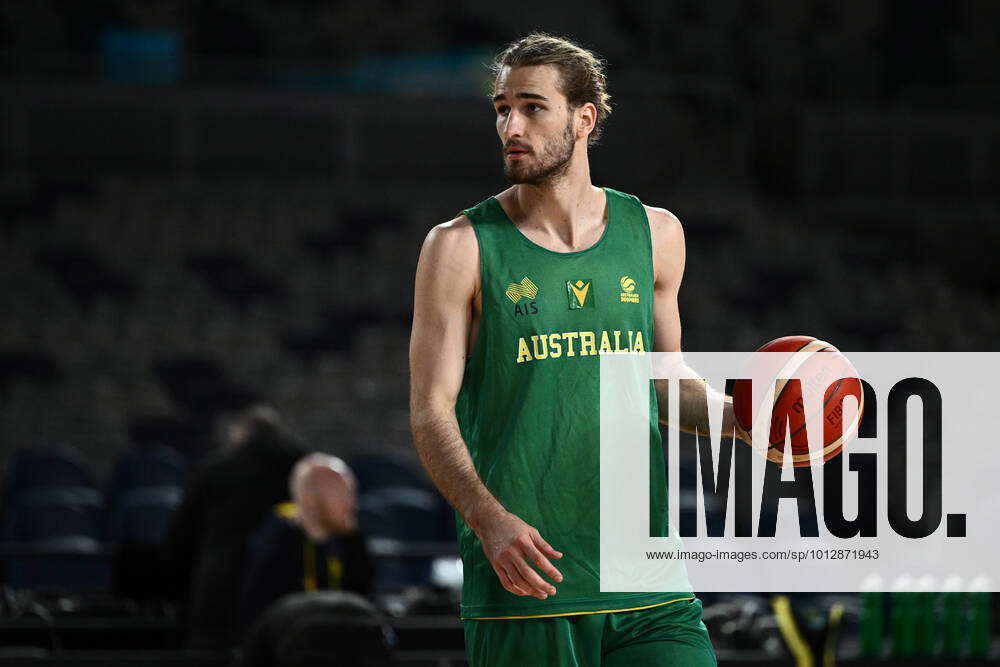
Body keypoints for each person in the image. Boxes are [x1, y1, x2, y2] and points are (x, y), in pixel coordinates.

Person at [409, 33, 741, 665]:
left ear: (584, 118)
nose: (511, 124)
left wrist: (750, 419)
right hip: (530, 575)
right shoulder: (458, 246)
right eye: (502, 108)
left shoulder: (656, 234)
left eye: (533, 107)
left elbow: (664, 382)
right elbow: (430, 410)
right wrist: (487, 520)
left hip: (647, 577)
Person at [164, 404, 304, 650]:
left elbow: (181, 535)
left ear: (241, 433)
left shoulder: (215, 468)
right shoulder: (299, 469)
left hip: (220, 587)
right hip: (287, 593)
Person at [238, 453, 374, 634]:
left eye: (351, 493)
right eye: (342, 494)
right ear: (311, 499)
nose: (352, 503)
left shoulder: (351, 540)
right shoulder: (275, 546)